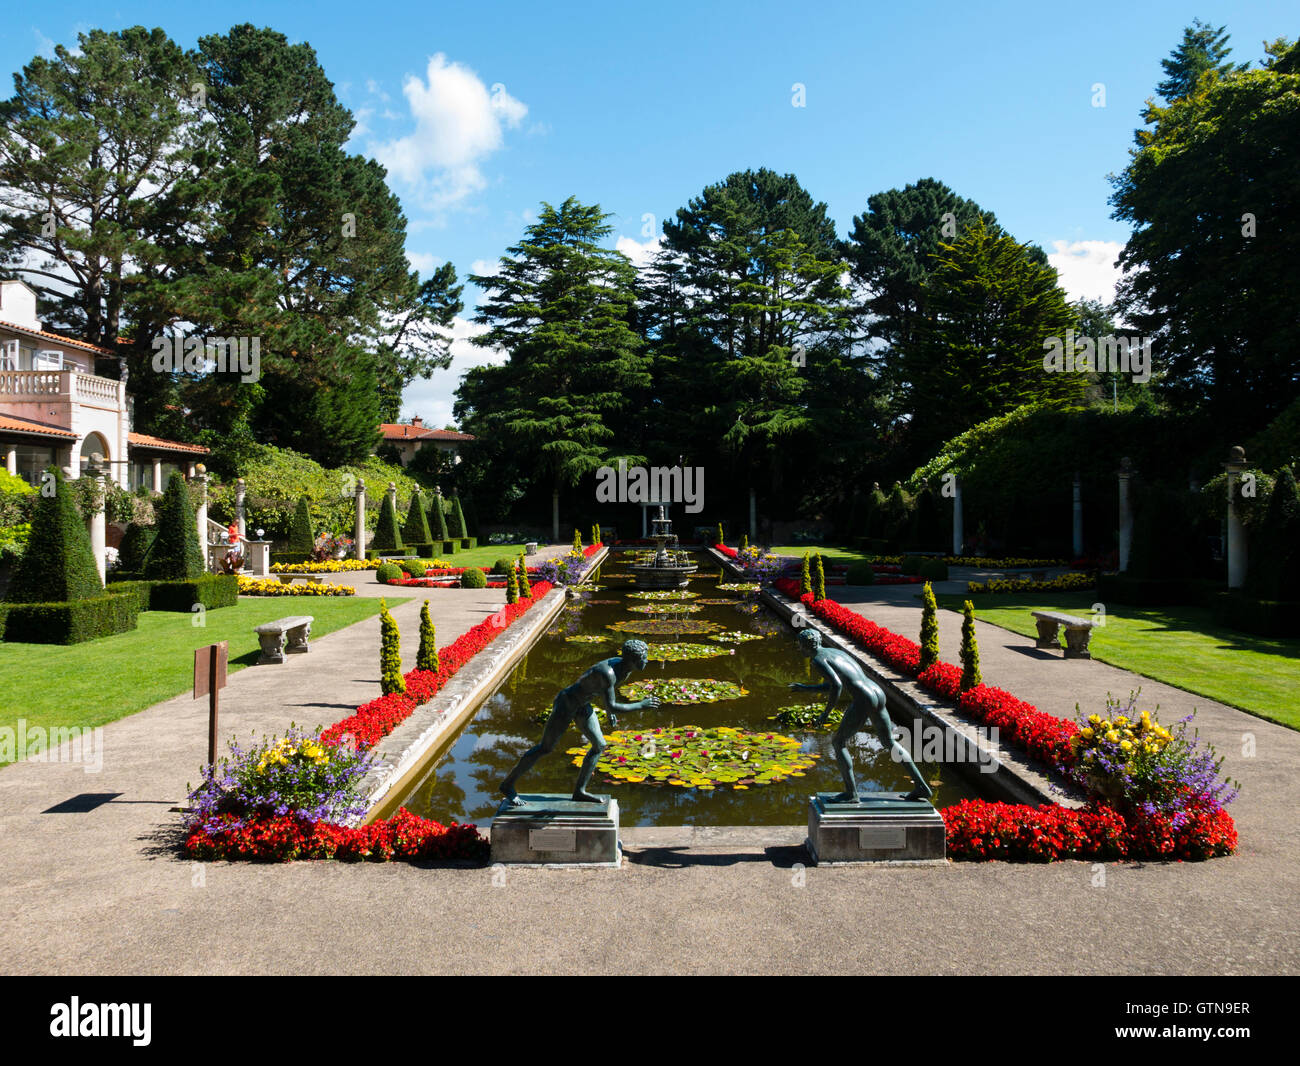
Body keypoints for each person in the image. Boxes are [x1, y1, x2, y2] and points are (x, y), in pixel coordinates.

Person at [500, 639, 661, 806]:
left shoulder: (624, 669)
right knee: (545, 748)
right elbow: (612, 704)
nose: (647, 660)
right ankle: (507, 785)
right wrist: (641, 705)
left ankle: (579, 792)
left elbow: (601, 693)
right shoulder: (608, 673)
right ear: (633, 660)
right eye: (644, 657)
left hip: (583, 705)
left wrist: (608, 710)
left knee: (599, 745)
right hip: (567, 703)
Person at [790, 627, 932, 803]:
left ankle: (851, 794)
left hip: (864, 699)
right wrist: (806, 689)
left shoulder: (818, 660)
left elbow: (836, 686)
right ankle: (921, 787)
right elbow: (839, 683)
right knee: (889, 742)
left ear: (805, 645)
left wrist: (825, 714)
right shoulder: (833, 652)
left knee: (838, 742)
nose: (799, 649)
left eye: (800, 645)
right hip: (876, 692)